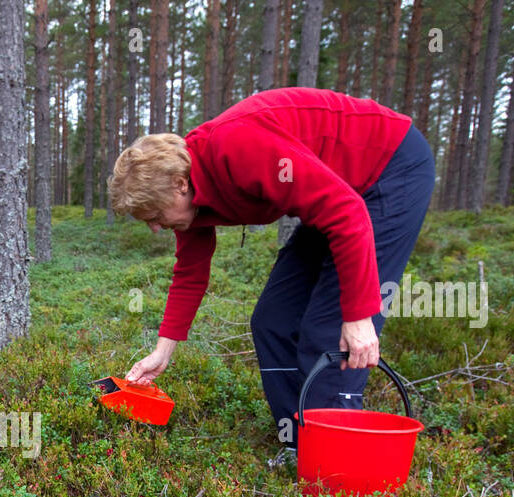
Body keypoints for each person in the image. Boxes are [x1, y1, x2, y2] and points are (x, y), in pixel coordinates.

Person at [108, 87, 435, 459]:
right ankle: (298, 443)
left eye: (154, 216)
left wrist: (359, 316)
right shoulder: (191, 197)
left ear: (179, 185)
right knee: (273, 320)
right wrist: (162, 352)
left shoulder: (237, 148)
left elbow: (345, 211)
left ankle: (334, 466)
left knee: (328, 333)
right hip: (337, 193)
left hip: (387, 169)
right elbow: (190, 272)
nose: (154, 227)